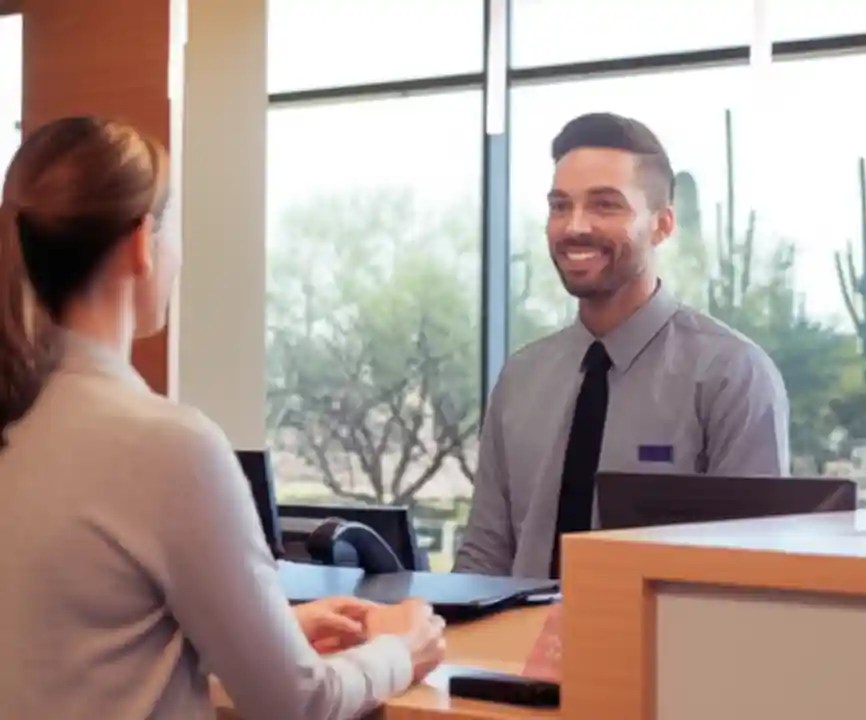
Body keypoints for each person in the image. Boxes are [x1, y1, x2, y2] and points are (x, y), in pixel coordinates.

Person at [0, 116, 446, 720]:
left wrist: (261, 631)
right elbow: (297, 701)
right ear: (141, 244)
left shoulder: (25, 417)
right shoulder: (165, 446)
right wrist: (404, 649)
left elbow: (69, 650)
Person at [454, 112, 790, 580]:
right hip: (512, 651)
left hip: (664, 651)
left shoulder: (732, 376)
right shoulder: (521, 377)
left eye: (605, 206)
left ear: (662, 224)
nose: (574, 227)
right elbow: (484, 556)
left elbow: (752, 574)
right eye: (559, 205)